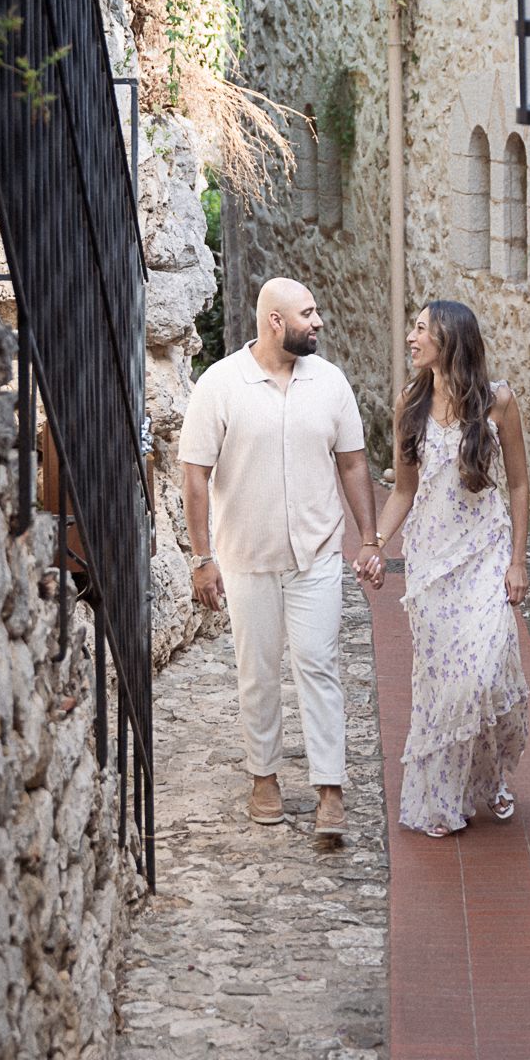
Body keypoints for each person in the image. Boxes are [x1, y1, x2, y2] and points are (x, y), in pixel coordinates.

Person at [179, 277, 384, 836]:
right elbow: (194, 473)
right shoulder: (221, 385)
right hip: (246, 556)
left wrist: (369, 539)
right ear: (275, 321)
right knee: (258, 671)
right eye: (307, 313)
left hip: (316, 554)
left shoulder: (331, 382)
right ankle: (263, 777)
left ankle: (329, 791)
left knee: (319, 665)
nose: (317, 322)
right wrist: (202, 557)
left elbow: (353, 464)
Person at [374, 300, 530, 837]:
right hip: (431, 564)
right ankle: (450, 794)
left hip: (484, 554)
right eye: (414, 327)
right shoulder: (408, 405)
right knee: (448, 687)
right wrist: (375, 542)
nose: (412, 337)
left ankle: (490, 777)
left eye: (421, 329)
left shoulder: (498, 403)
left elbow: (518, 484)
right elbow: (403, 491)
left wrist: (516, 561)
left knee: (486, 674)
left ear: (450, 340)